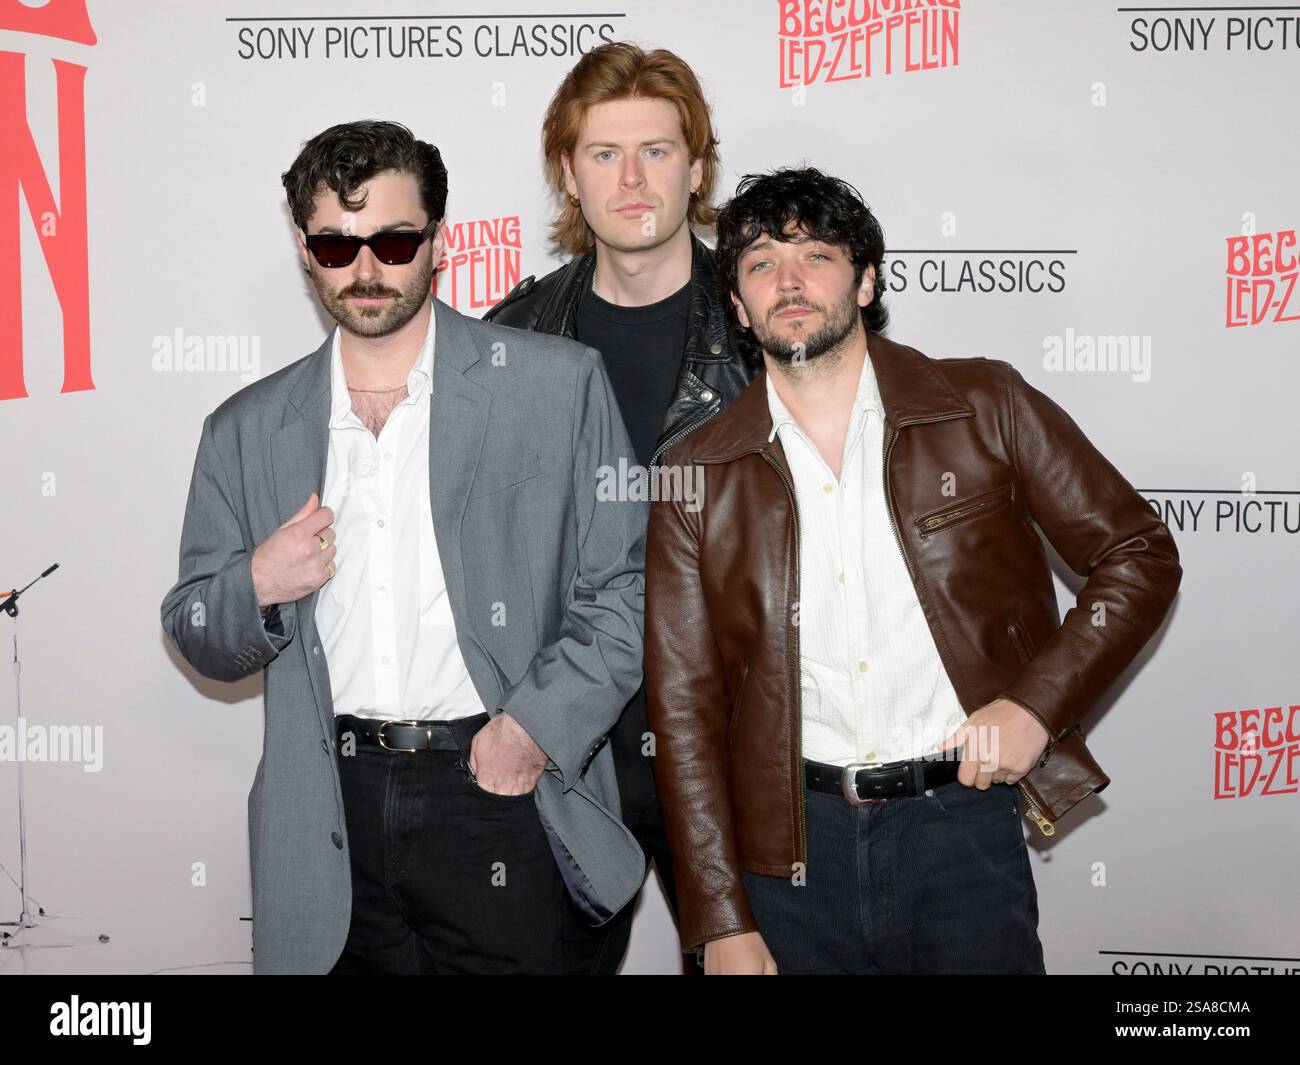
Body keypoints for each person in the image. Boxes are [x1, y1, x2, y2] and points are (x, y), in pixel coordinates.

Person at [644, 167, 1183, 975]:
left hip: (958, 831)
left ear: (864, 281)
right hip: (788, 852)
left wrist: (1036, 706)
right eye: (759, 263)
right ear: (736, 305)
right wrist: (718, 917)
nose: (788, 280)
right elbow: (681, 713)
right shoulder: (695, 472)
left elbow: (1137, 553)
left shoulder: (983, 404)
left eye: (816, 255)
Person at [161, 120, 646, 974]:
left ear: (438, 243)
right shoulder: (246, 429)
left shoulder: (554, 384)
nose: (366, 268)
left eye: (391, 239)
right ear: (306, 254)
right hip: (328, 809)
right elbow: (195, 623)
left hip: (502, 791)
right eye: (336, 244)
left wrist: (531, 729)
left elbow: (630, 588)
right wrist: (257, 583)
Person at [485, 42, 754, 974]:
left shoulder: (771, 333)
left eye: (658, 151)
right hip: (565, 747)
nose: (632, 179)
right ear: (569, 170)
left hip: (733, 746)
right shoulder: (511, 339)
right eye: (604, 153)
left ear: (697, 167)